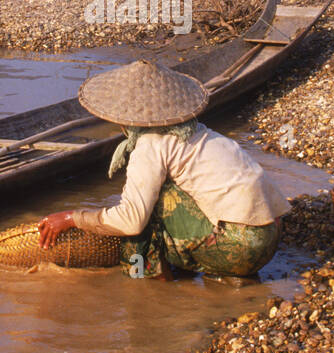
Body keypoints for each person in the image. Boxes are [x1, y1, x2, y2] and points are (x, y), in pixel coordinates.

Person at [37, 60, 289, 279]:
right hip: (271, 238)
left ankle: (145, 281)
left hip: (241, 251)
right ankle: (185, 268)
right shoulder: (199, 131)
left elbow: (131, 223)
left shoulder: (149, 146)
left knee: (145, 211)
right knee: (161, 194)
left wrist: (73, 218)